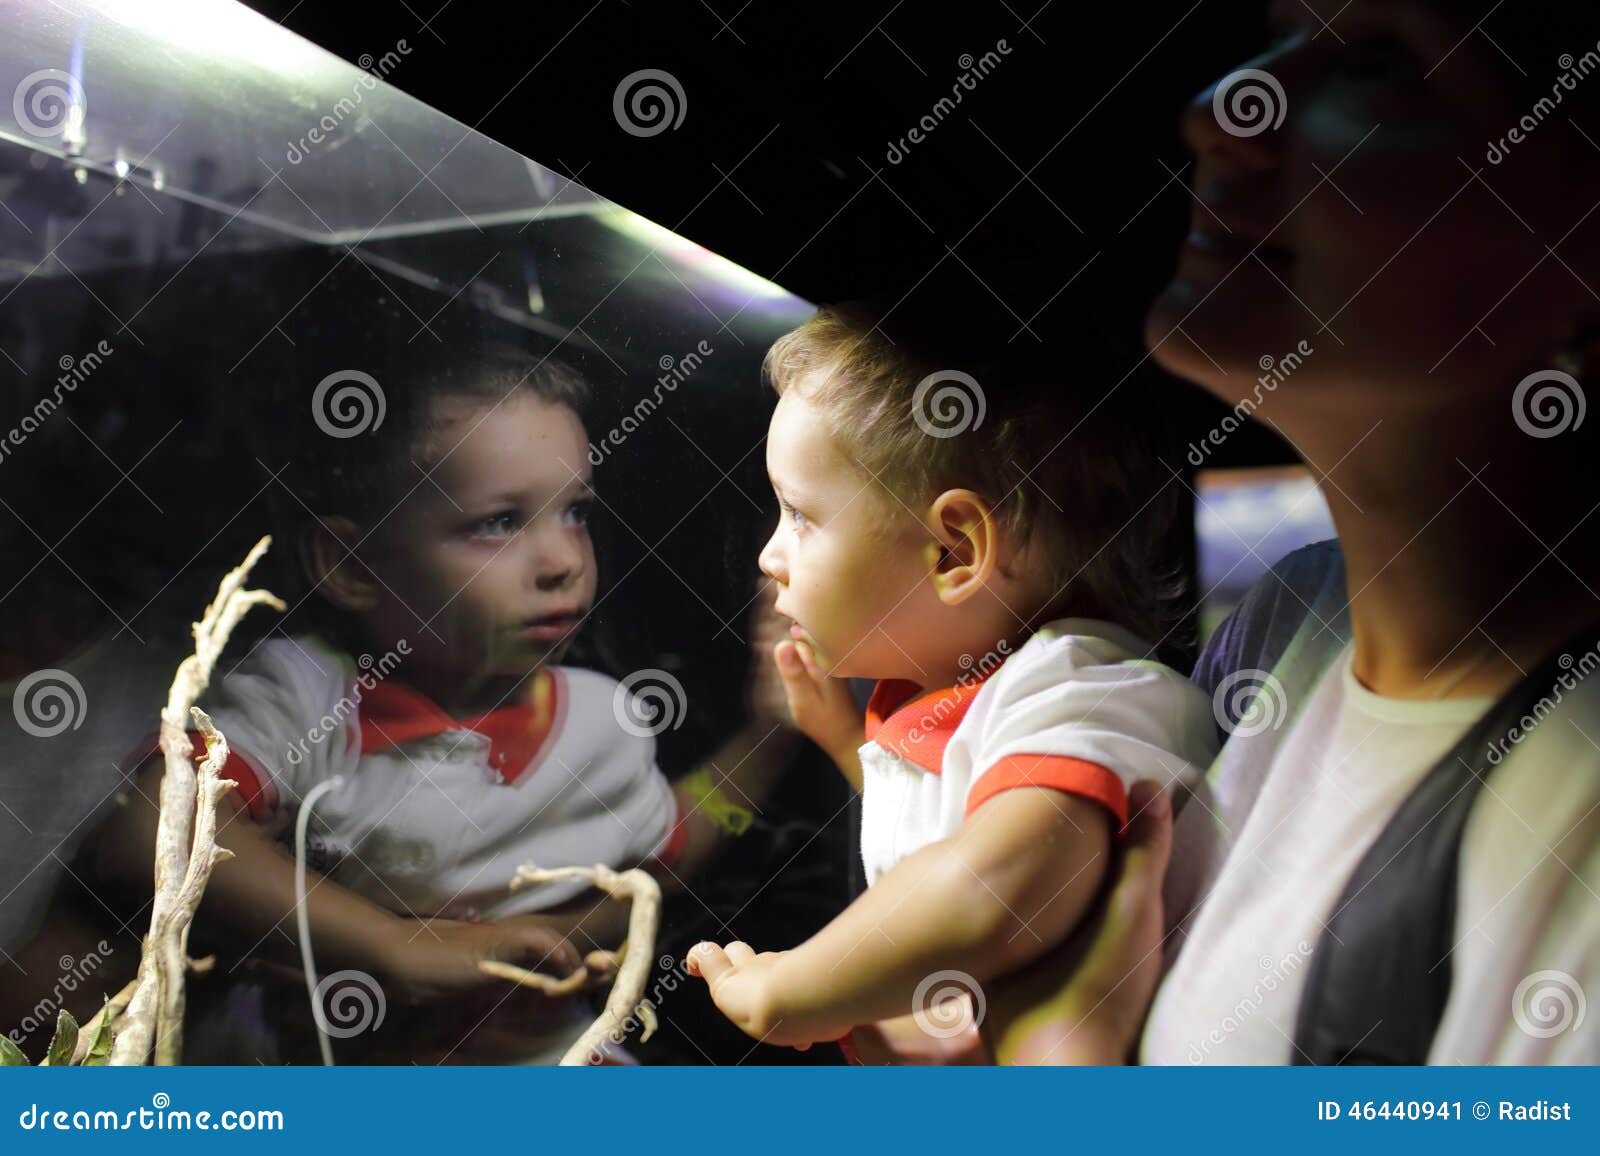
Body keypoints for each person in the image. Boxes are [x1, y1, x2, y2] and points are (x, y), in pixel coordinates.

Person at [986, 0, 1600, 1065]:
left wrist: (1060, 1062)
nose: (1220, 109)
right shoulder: (1285, 619)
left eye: (1375, 61)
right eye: (1274, 38)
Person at [94, 347, 798, 1063]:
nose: (563, 561)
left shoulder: (600, 719)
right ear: (354, 566)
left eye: (575, 512)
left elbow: (658, 862)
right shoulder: (312, 695)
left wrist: (770, 731)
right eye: (498, 523)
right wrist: (393, 947)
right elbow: (149, 827)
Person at [685, 306, 1219, 1048]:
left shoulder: (1088, 691)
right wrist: (845, 739)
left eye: (800, 516)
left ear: (952, 552)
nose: (770, 555)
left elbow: (992, 883)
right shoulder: (986, 706)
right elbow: (958, 826)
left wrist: (797, 985)